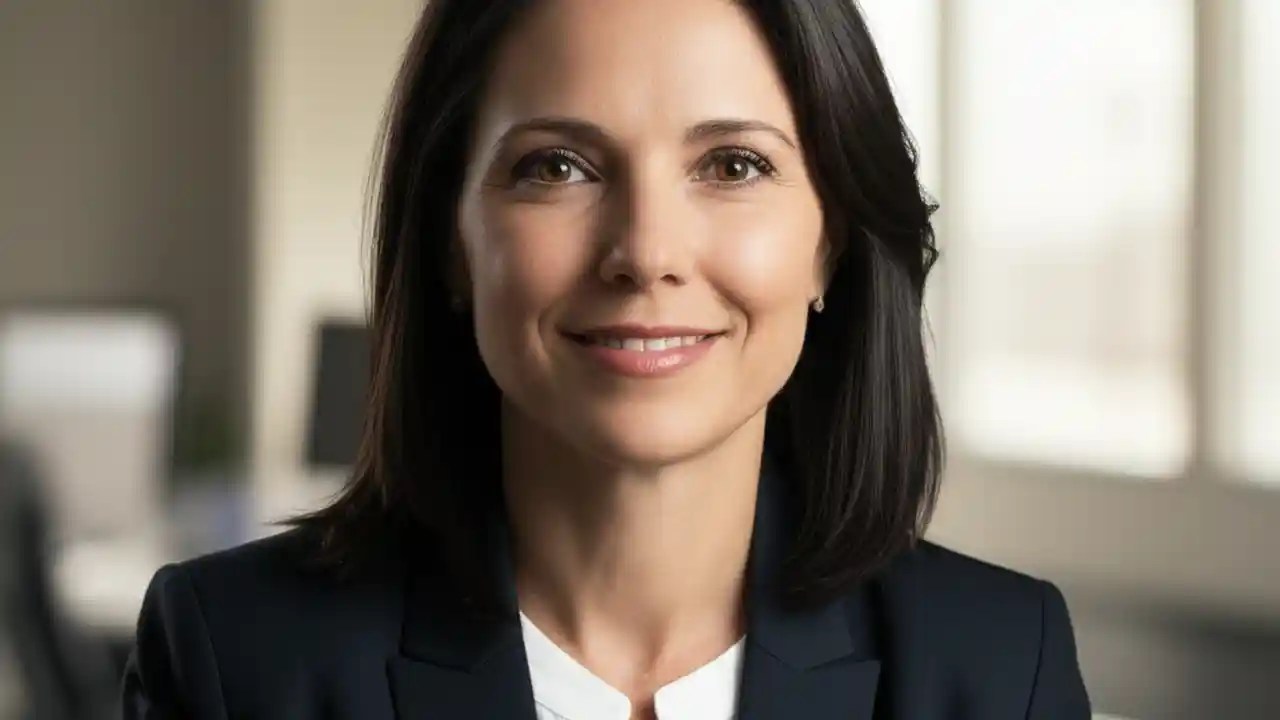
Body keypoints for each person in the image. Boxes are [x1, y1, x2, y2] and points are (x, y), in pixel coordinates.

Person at [121, 0, 1091, 717]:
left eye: (732, 166)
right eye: (557, 167)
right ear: (453, 243)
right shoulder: (233, 663)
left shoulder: (1000, 670)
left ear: (827, 243)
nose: (646, 253)